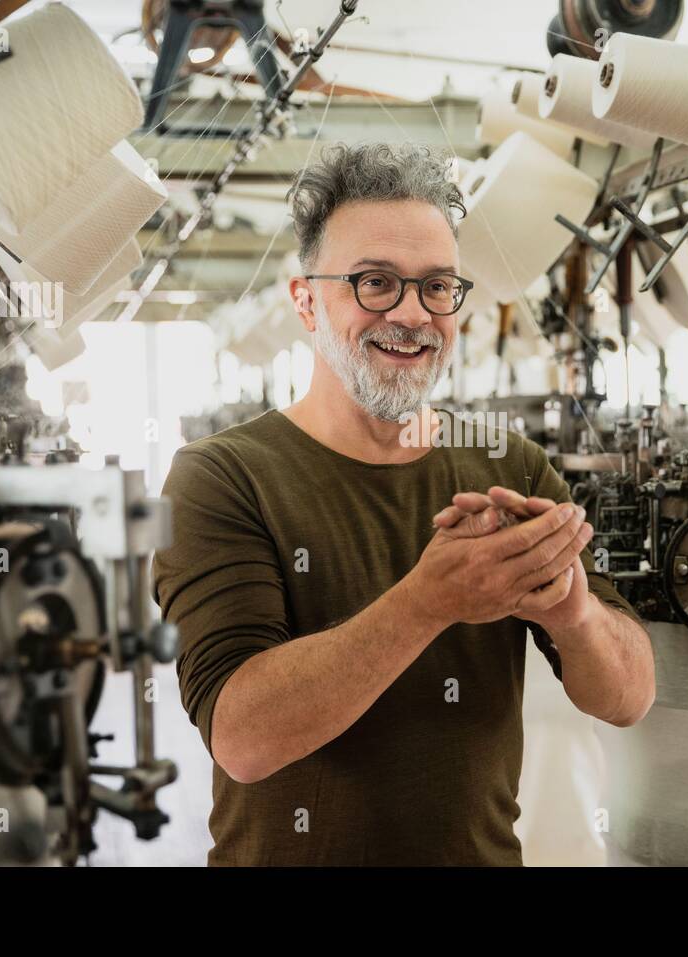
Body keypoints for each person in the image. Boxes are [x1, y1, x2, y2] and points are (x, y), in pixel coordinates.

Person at [152, 142, 655, 865]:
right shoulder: (221, 477)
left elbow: (629, 697)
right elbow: (242, 737)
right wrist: (430, 600)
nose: (413, 315)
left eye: (437, 286)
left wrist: (572, 611)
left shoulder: (509, 464)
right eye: (375, 283)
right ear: (306, 301)